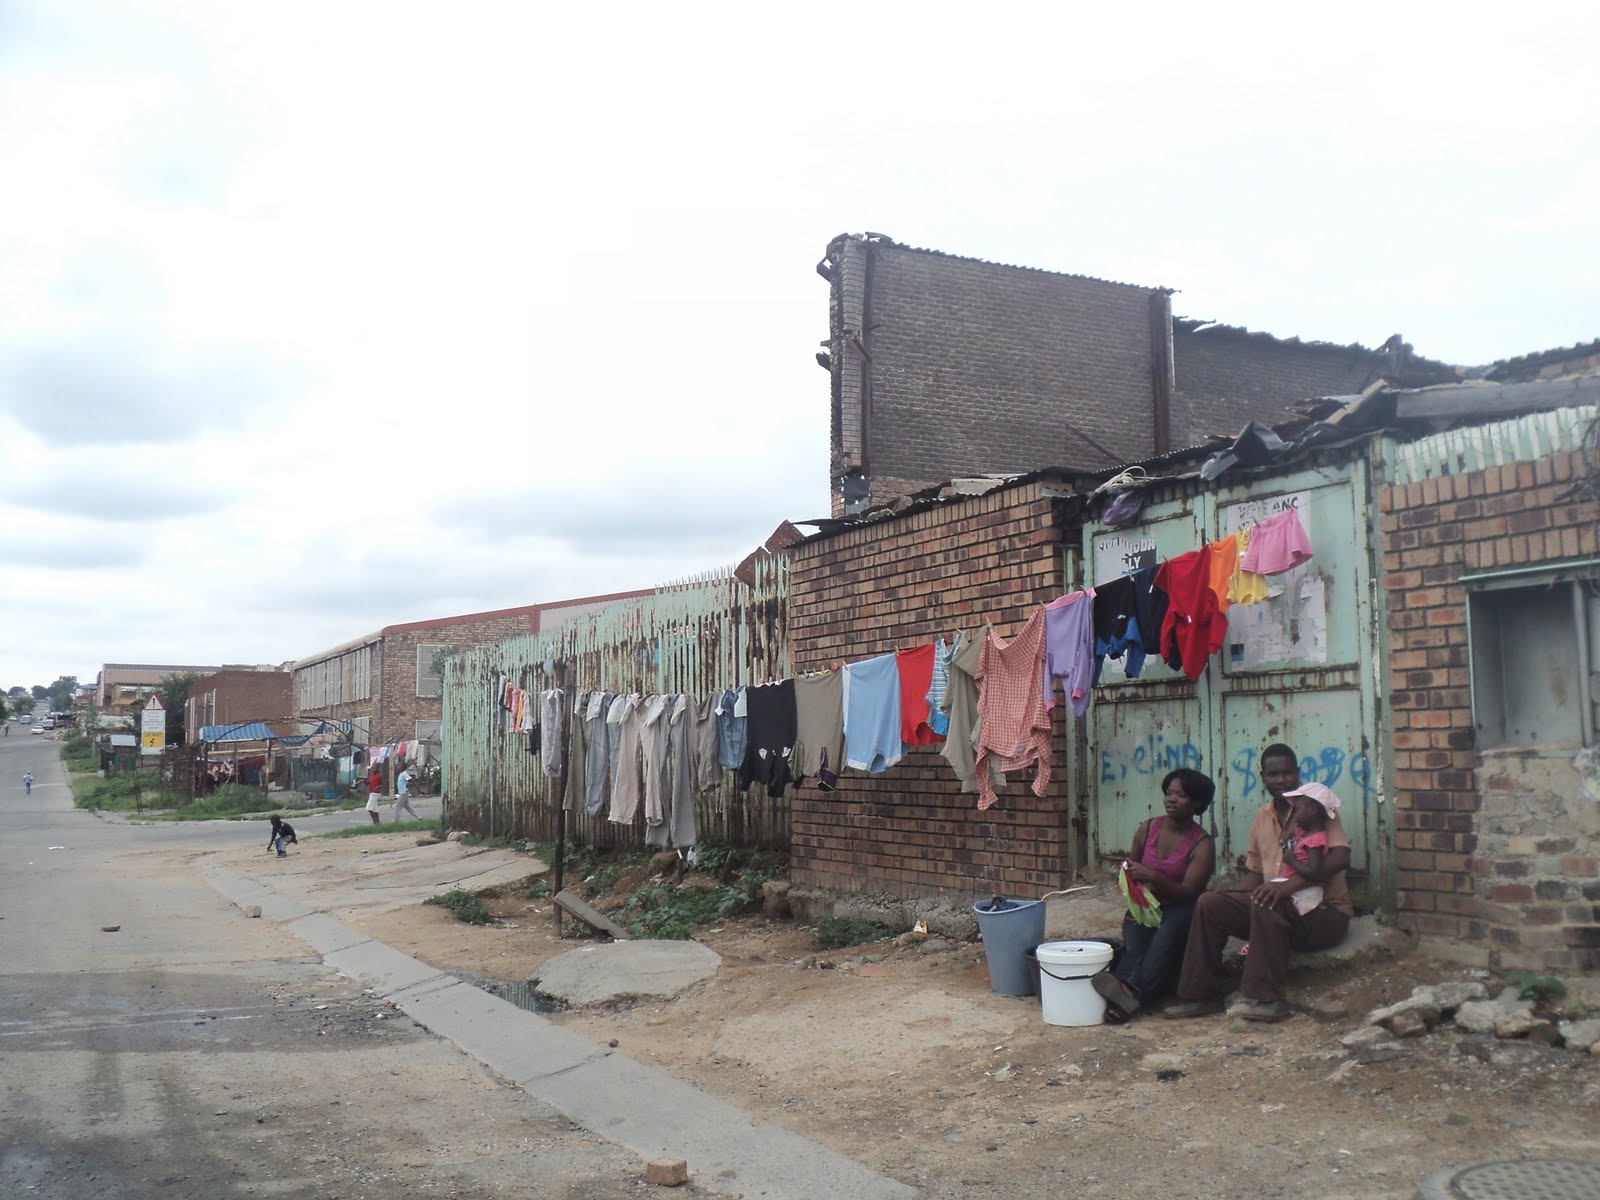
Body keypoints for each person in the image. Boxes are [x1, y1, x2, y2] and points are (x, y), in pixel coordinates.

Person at [1165, 745, 1352, 1023]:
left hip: (1323, 915)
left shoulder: (1314, 810)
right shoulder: (1262, 817)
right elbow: (1254, 875)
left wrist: (1285, 888)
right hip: (1280, 912)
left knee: (1268, 900)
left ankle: (1268, 999)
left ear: (1298, 774)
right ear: (1262, 777)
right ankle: (1201, 995)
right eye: (1273, 774)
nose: (1280, 780)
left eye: (1287, 773)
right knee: (1210, 903)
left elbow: (1340, 857)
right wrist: (1231, 901)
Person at [1092, 768, 1216, 1020]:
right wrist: (1130, 880)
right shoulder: (1147, 829)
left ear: (1197, 802)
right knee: (1135, 943)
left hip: (1182, 907)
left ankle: (1129, 994)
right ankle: (1126, 991)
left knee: (1163, 941)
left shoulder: (1202, 843)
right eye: (1168, 793)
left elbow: (1189, 892)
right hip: (1146, 904)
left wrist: (1154, 877)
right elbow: (1130, 865)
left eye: (1180, 795)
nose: (1171, 799)